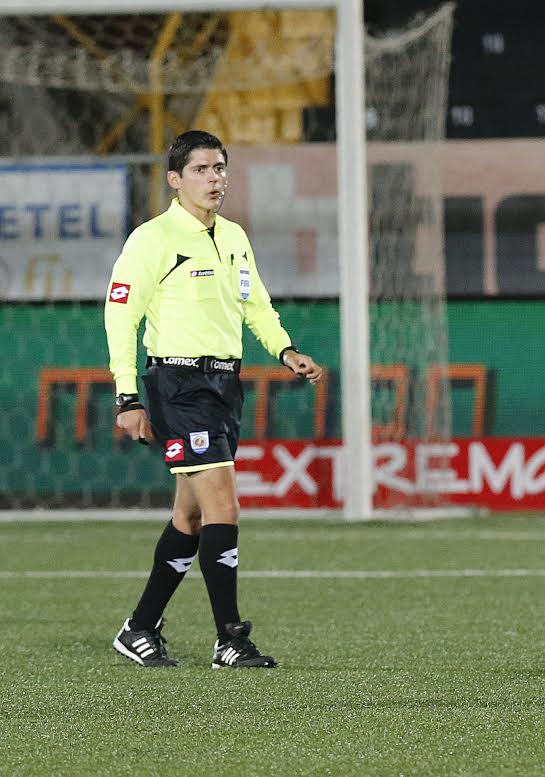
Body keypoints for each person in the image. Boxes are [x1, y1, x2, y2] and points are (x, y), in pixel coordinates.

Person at [105, 130, 323, 668]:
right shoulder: (152, 239)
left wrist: (285, 349)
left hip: (225, 385)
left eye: (220, 168)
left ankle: (139, 628)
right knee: (223, 504)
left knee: (191, 517)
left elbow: (255, 305)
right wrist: (127, 396)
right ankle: (230, 637)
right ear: (175, 180)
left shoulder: (233, 236)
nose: (214, 179)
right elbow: (121, 317)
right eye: (201, 169)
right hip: (178, 385)